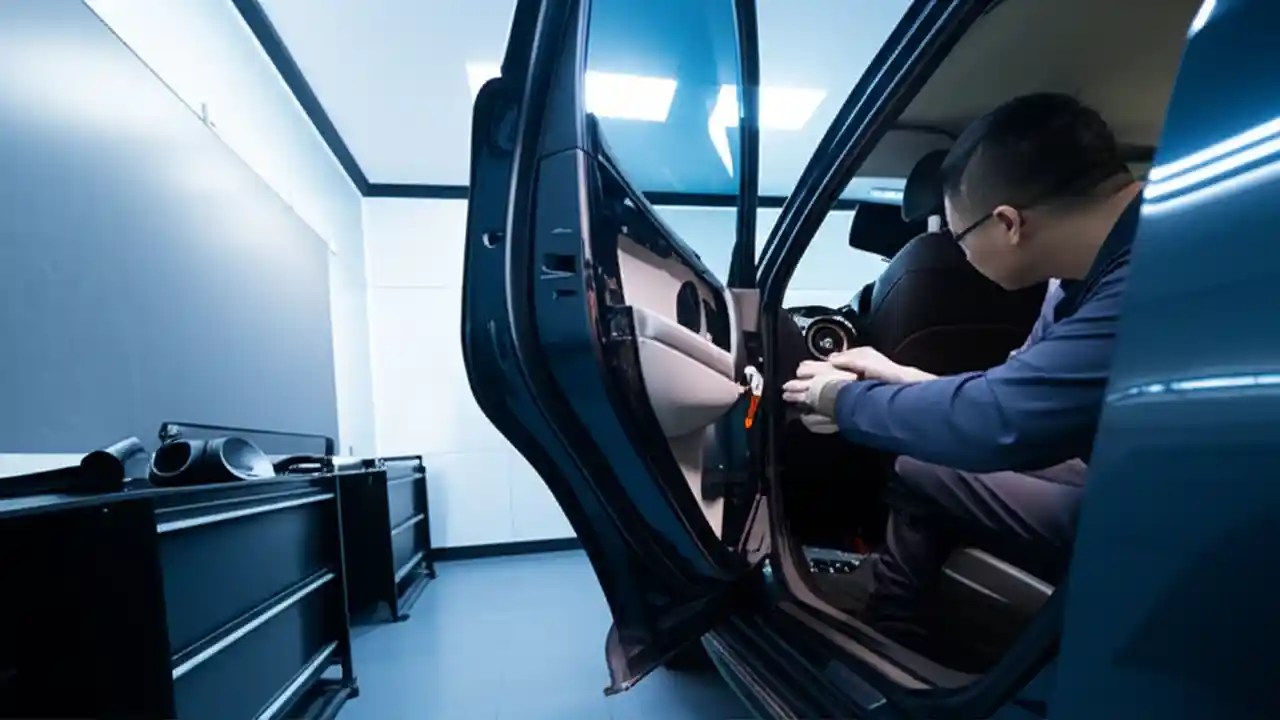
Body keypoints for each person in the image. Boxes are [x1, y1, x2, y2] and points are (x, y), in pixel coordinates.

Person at [781, 93, 1143, 648]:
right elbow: (1021, 393)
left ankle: (890, 637)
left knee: (918, 467)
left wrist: (842, 401)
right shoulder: (1083, 273)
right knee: (926, 459)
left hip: (1165, 519)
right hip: (1139, 474)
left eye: (958, 237)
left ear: (1007, 223)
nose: (958, 252)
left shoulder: (1147, 275)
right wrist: (899, 378)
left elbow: (1003, 421)